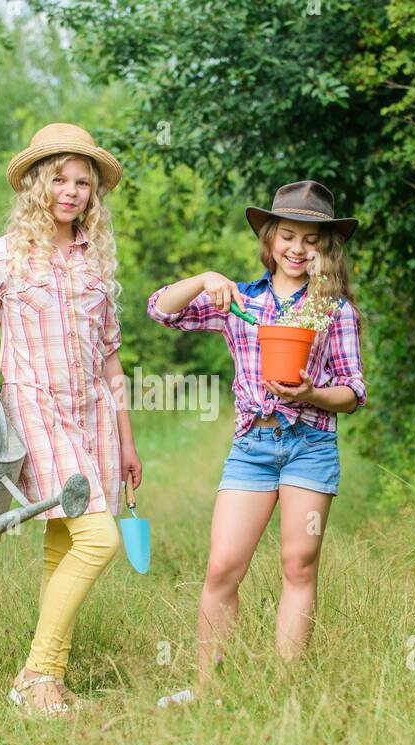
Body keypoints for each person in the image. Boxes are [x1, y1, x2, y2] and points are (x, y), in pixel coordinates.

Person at [146, 180, 366, 702]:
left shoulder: (332, 311)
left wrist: (312, 393)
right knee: (223, 566)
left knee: (298, 564)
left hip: (309, 444)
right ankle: (206, 688)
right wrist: (203, 279)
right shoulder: (239, 301)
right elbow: (161, 309)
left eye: (311, 240)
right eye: (287, 235)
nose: (297, 249)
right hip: (253, 447)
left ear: (326, 249)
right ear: (269, 240)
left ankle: (285, 691)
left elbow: (354, 392)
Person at [0, 123, 142, 717]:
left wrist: (128, 443)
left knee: (64, 540)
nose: (72, 191)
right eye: (60, 178)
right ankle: (35, 674)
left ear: (94, 194)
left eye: (83, 183)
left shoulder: (97, 264)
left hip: (93, 416)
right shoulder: (2, 255)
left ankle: (48, 682)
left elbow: (111, 359)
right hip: (35, 408)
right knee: (98, 538)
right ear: (38, 184)